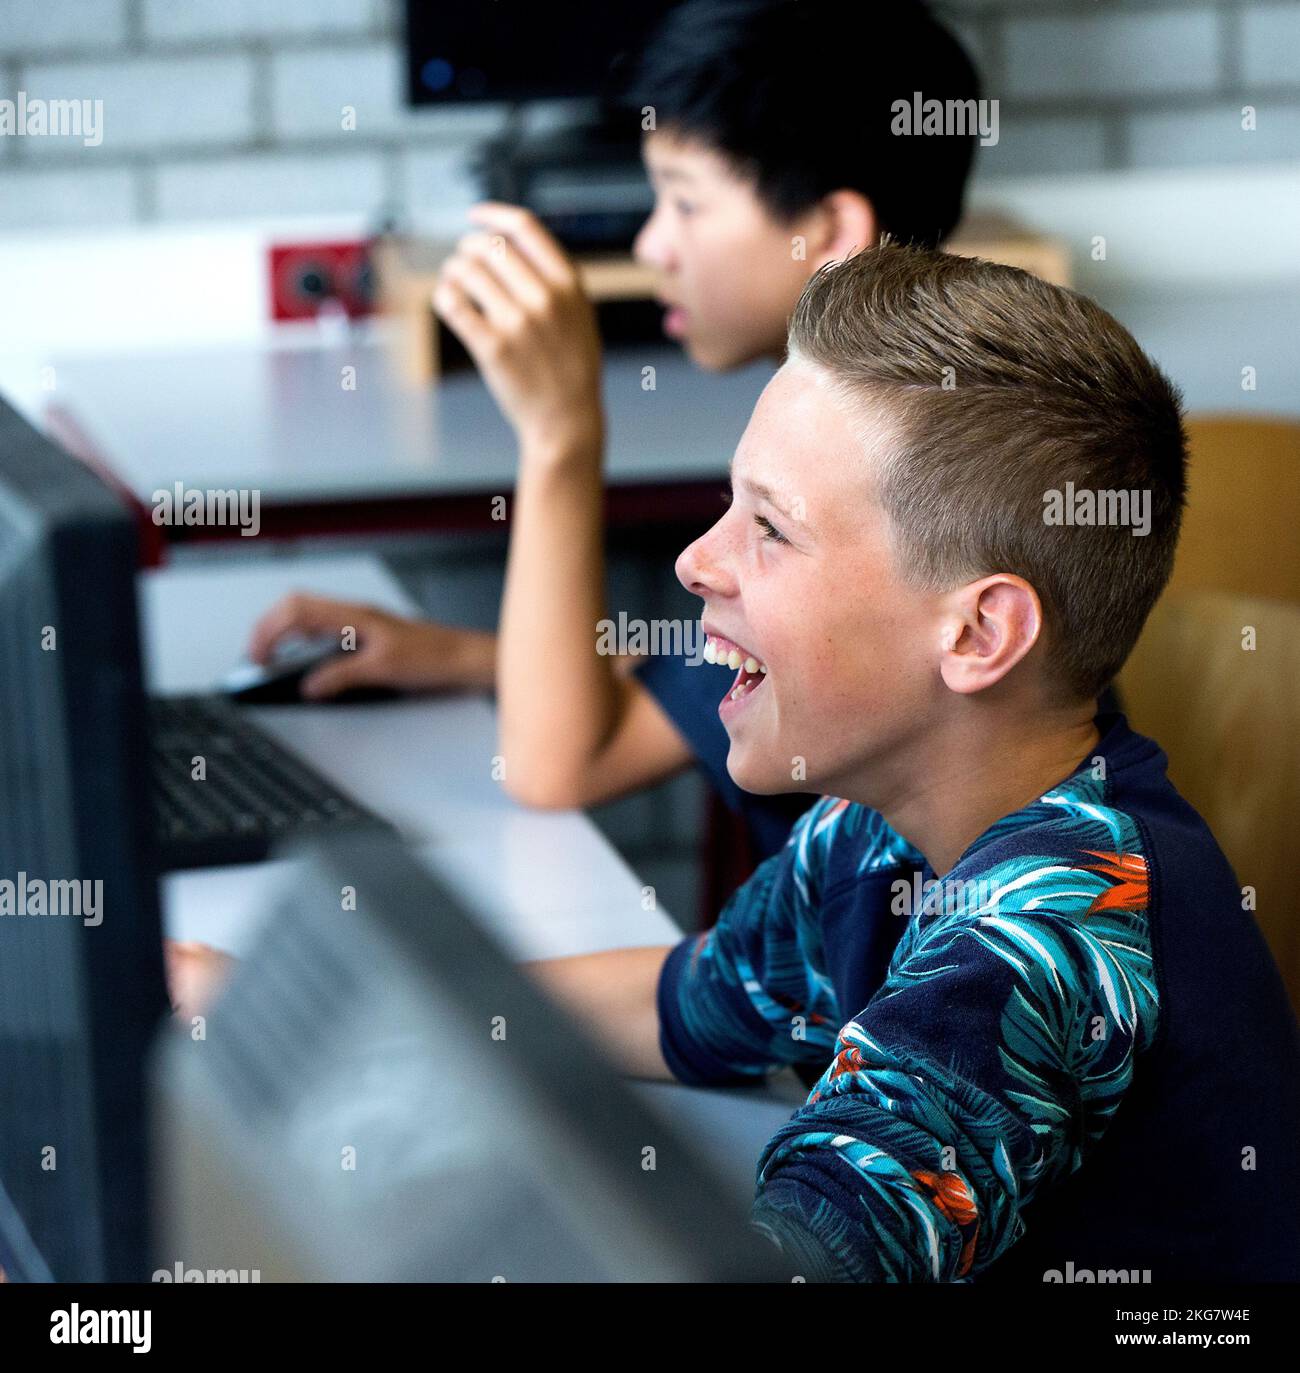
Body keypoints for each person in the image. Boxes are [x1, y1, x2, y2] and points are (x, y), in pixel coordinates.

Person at [513, 243, 1300, 1282]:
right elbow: (685, 1004)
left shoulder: (1045, 942)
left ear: (977, 635)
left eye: (768, 528)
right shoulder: (878, 820)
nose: (695, 561)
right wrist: (276, 996)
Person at [247, 0, 980, 864]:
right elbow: (712, 677)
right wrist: (462, 655)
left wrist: (560, 433)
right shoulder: (920, 413)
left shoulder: (866, 497)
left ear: (828, 235)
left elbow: (556, 765)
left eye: (685, 203)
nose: (652, 243)